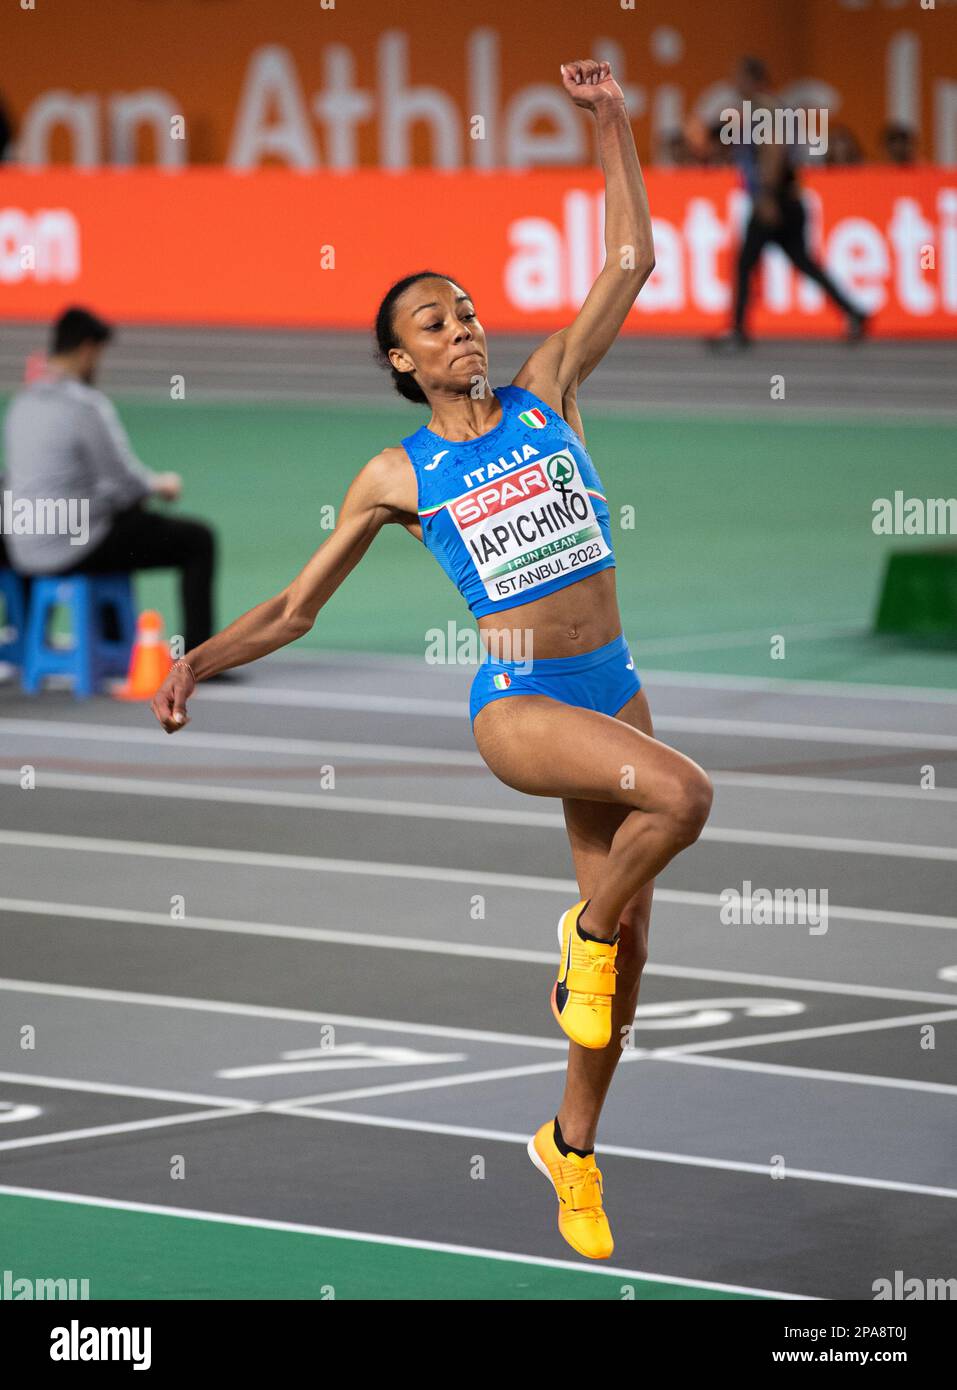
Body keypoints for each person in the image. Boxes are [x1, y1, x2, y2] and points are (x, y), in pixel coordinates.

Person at [150, 59, 713, 1261]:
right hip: (519, 701)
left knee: (632, 965)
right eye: (434, 321)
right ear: (403, 362)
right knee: (684, 797)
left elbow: (632, 261)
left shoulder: (547, 390)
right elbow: (299, 608)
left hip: (613, 681)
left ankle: (570, 1144)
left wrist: (613, 124)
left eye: (465, 310)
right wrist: (197, 658)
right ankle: (581, 943)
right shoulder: (397, 476)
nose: (464, 327)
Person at [3, 306, 218, 655]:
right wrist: (160, 485)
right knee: (196, 539)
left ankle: (40, 636)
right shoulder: (86, 406)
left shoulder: (21, 403)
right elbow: (125, 481)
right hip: (68, 546)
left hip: (20, 545)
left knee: (105, 521)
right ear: (88, 349)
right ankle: (200, 657)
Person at [710, 57, 869, 349]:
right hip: (787, 197)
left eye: (738, 77)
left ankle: (737, 330)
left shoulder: (764, 108)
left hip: (776, 198)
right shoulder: (772, 106)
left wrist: (766, 195)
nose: (735, 84)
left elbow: (773, 150)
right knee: (802, 261)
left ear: (752, 79)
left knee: (745, 262)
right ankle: (854, 311)